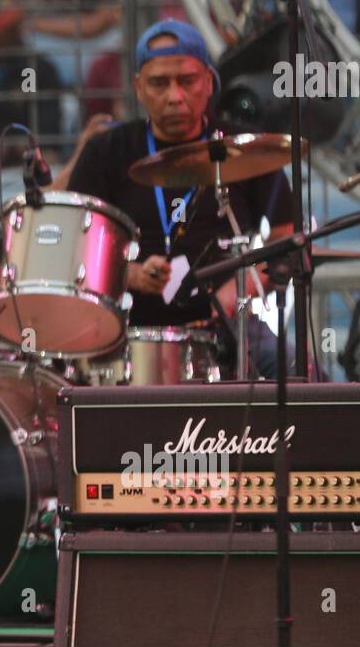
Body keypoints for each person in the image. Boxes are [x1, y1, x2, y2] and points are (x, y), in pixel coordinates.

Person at [63, 19, 296, 379]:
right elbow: (74, 251)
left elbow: (286, 239)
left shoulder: (248, 149)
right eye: (159, 83)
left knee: (298, 369)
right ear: (138, 88)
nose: (175, 96)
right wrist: (130, 275)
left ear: (208, 82)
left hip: (227, 328)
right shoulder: (106, 152)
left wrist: (239, 290)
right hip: (127, 330)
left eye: (187, 81)